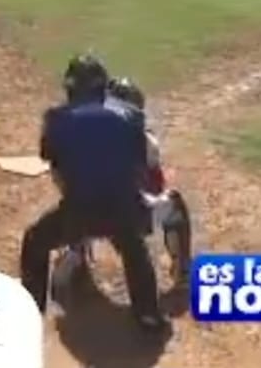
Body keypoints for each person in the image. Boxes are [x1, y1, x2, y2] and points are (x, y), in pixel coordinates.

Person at [22, 54, 168, 334]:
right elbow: (140, 162)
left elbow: (49, 156)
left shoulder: (56, 118)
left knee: (35, 240)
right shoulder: (132, 115)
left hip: (78, 213)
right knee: (135, 249)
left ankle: (32, 311)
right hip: (125, 211)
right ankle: (147, 313)